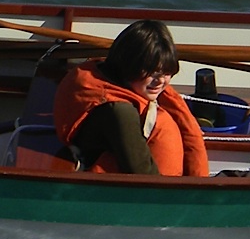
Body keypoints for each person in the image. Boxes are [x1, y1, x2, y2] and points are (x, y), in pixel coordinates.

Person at [52, 20, 208, 176]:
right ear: (129, 65)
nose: (161, 81)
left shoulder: (107, 74)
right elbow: (142, 176)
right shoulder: (118, 111)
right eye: (151, 73)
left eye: (167, 73)